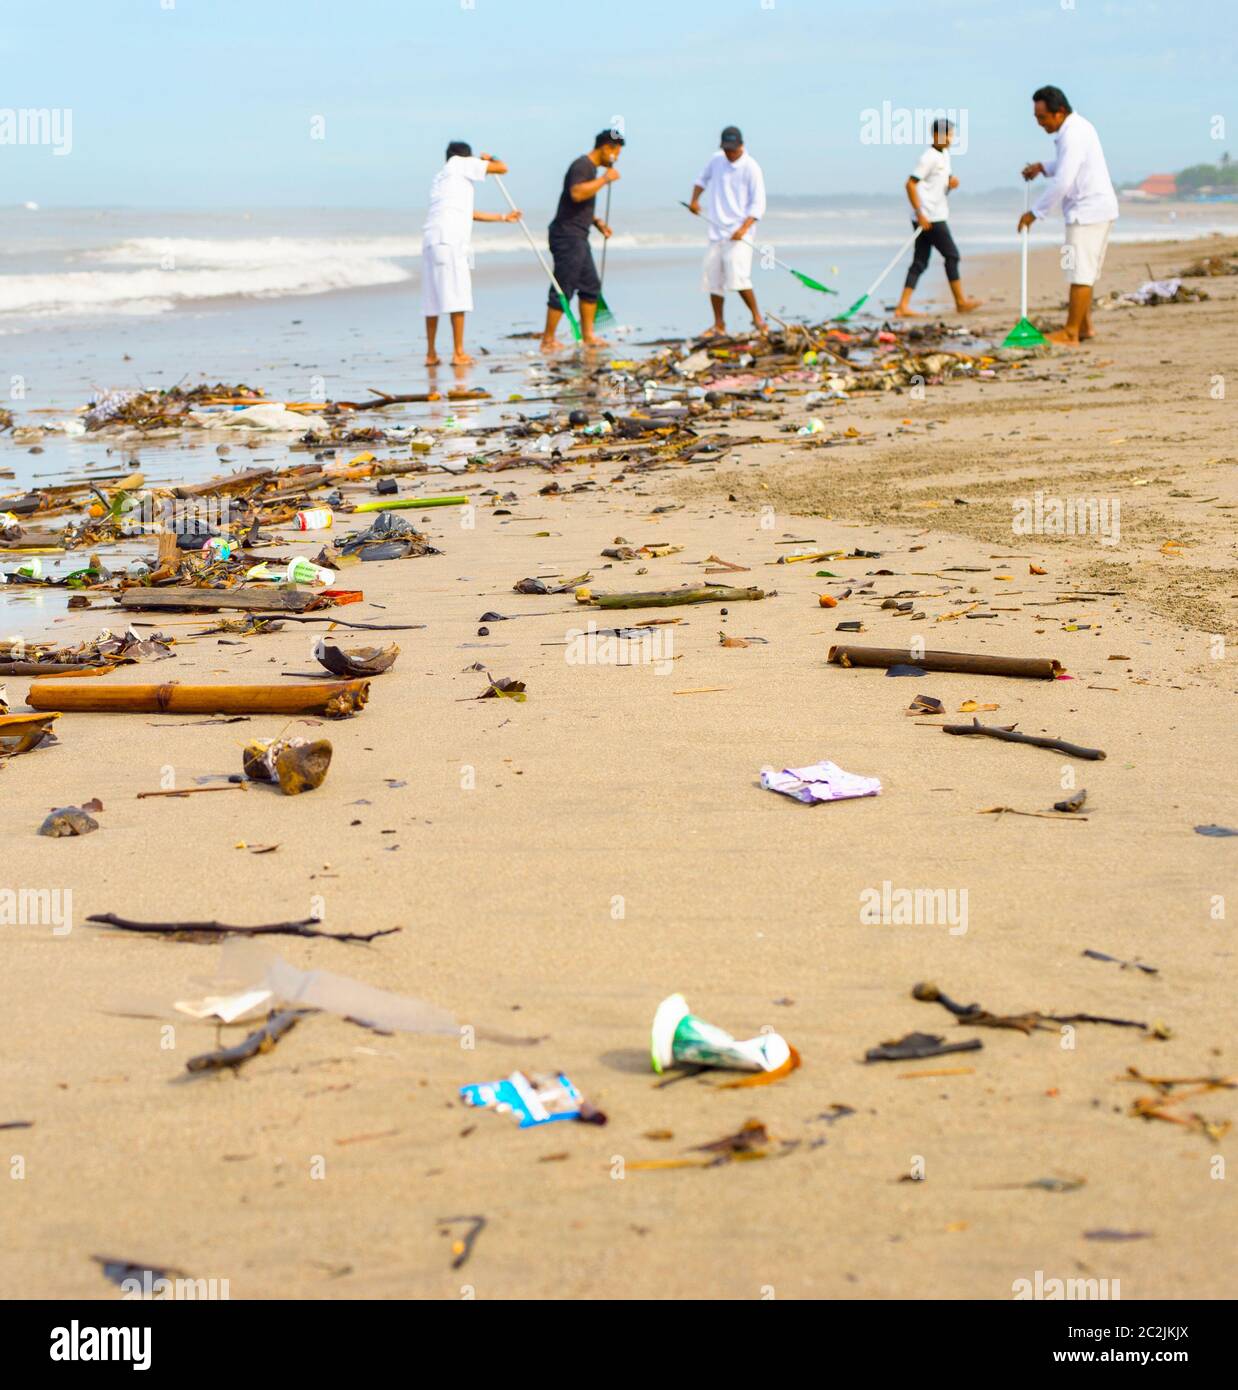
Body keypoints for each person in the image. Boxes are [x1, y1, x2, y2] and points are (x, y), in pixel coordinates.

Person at [1019, 86, 1119, 345]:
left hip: (1088, 211)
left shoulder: (1072, 134)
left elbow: (1064, 180)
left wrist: (1035, 213)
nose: (1039, 123)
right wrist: (1042, 167)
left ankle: (1071, 332)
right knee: (1086, 270)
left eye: (1042, 117)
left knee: (1080, 272)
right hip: (1097, 208)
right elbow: (1066, 166)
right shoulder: (1077, 128)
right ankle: (1085, 326)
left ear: (1059, 112)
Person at [422, 141, 519, 366]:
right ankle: (458, 353)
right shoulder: (461, 164)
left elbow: (468, 213)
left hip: (431, 239)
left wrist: (504, 217)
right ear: (467, 157)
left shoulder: (441, 178)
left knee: (432, 298)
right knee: (458, 294)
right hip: (451, 239)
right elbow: (503, 168)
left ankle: (431, 354)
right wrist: (489, 159)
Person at [540, 129, 624, 351]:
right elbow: (577, 193)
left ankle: (588, 335)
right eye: (617, 153)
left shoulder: (591, 169)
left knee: (590, 286)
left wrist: (595, 221)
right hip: (567, 235)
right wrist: (605, 179)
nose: (616, 159)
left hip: (579, 234)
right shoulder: (582, 165)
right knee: (564, 286)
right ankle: (548, 340)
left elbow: (577, 203)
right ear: (607, 148)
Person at [895, 118, 982, 317]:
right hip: (929, 218)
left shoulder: (945, 155)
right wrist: (920, 213)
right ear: (935, 135)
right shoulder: (929, 157)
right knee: (952, 255)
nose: (950, 138)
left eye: (951, 134)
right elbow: (909, 184)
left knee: (920, 262)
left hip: (935, 213)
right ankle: (960, 302)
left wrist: (950, 184)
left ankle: (902, 305)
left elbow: (938, 187)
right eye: (947, 134)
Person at [687, 126, 767, 338]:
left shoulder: (752, 167)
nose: (729, 154)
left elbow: (758, 204)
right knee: (712, 279)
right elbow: (700, 180)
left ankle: (758, 319)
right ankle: (719, 324)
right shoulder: (716, 160)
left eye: (732, 149)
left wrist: (743, 229)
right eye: (726, 149)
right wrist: (694, 201)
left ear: (741, 145)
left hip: (740, 233)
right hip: (716, 231)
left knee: (738, 277)